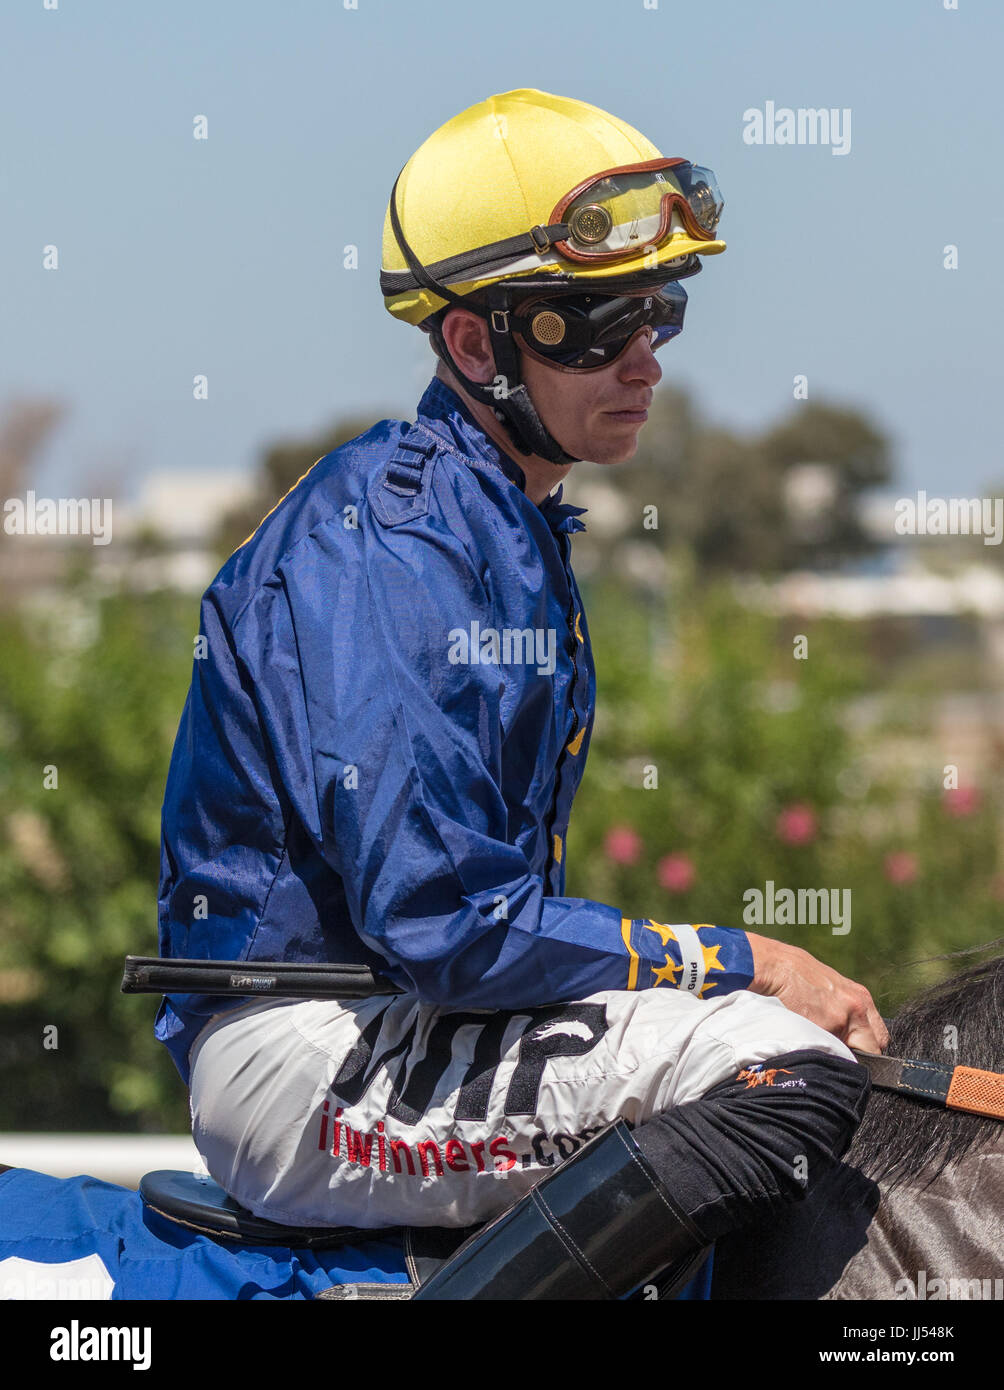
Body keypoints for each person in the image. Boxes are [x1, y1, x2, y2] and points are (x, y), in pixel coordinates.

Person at [156, 89, 886, 1298]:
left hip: (407, 1028)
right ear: (476, 346)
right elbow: (445, 925)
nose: (645, 360)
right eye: (595, 326)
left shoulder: (507, 521)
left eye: (660, 312)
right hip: (306, 1056)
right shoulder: (388, 547)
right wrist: (739, 956)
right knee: (779, 1067)